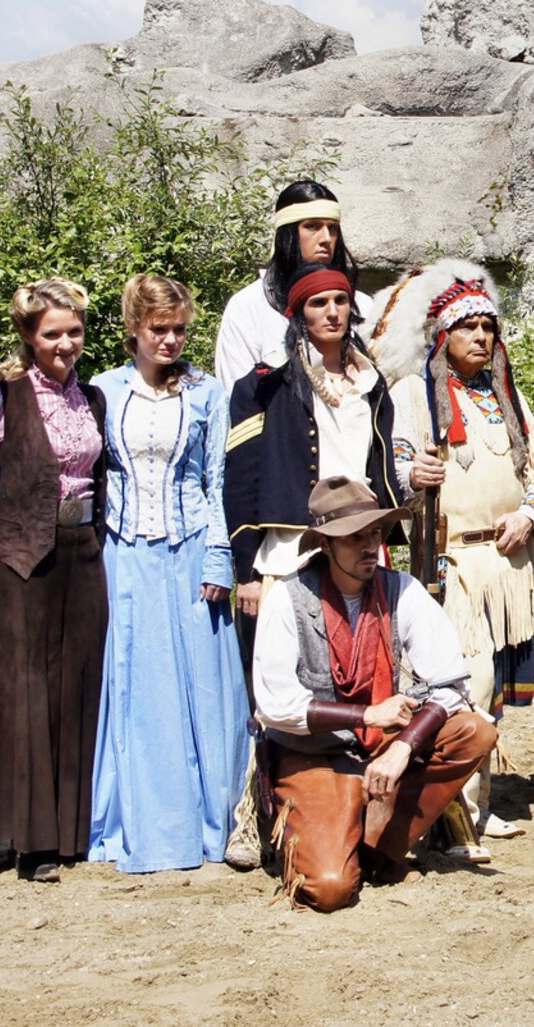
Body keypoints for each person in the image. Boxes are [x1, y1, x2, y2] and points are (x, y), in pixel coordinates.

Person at [252, 477, 497, 909]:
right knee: (330, 889)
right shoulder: (286, 600)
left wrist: (402, 747)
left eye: (375, 534)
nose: (369, 546)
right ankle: (326, 823)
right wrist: (366, 716)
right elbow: (275, 707)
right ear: (325, 545)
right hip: (311, 754)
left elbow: (451, 684)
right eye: (354, 537)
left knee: (473, 733)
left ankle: (376, 847)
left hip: (381, 747)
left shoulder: (401, 590)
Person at [224, 260, 396, 870]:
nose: (331, 312)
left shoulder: (373, 383)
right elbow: (240, 479)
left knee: (358, 669)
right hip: (287, 549)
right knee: (266, 683)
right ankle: (252, 816)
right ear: (299, 313)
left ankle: (350, 800)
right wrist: (247, 566)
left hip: (354, 545)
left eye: (340, 302)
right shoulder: (265, 385)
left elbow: (381, 471)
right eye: (318, 303)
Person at [378, 264, 534, 855]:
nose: (481, 336)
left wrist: (529, 511)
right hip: (448, 562)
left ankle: (475, 810)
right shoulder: (412, 394)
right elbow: (393, 466)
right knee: (464, 685)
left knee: (495, 687)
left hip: (506, 563)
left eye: (488, 326)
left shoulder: (507, 395)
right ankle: (449, 818)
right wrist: (412, 473)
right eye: (468, 327)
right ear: (442, 336)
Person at [87, 275, 251, 873]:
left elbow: (217, 482)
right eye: (159, 329)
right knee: (134, 679)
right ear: (133, 328)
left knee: (205, 683)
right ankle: (136, 820)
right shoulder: (103, 390)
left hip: (189, 551)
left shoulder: (206, 393)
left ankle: (215, 822)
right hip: (123, 551)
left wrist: (218, 558)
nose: (171, 340)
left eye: (180, 329)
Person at [0, 279, 108, 883]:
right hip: (22, 557)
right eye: (52, 333)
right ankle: (23, 841)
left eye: (74, 331)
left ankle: (69, 831)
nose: (66, 343)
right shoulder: (3, 394)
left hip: (82, 552)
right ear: (27, 336)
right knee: (22, 689)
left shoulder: (92, 397)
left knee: (75, 684)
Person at [214, 180, 378, 391]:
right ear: (288, 234)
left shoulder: (361, 305)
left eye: (333, 228)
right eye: (312, 226)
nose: (326, 238)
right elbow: (236, 394)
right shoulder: (249, 307)